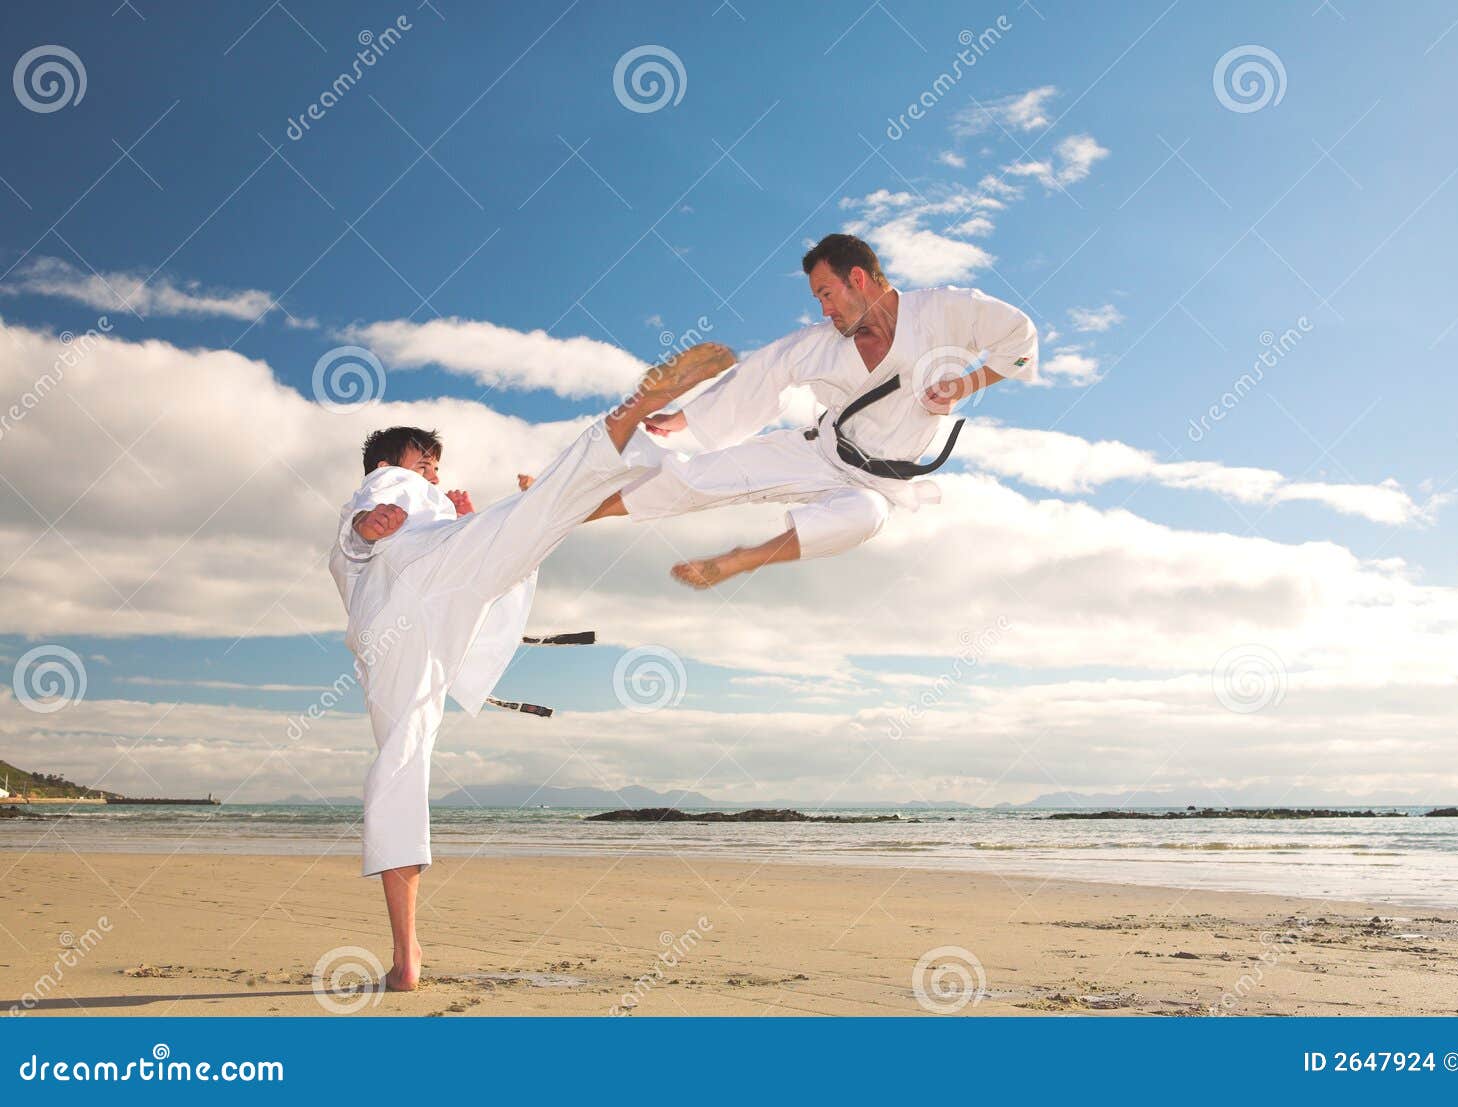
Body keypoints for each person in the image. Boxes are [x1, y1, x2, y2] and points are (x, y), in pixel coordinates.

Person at [327, 342, 734, 991]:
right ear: (386, 460)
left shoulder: (428, 500)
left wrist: (465, 522)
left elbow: (449, 551)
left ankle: (407, 956)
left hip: (437, 598)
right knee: (400, 764)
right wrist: (366, 527)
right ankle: (577, 474)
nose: (429, 468)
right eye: (420, 458)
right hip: (406, 600)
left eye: (433, 462)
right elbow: (349, 545)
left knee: (404, 765)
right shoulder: (384, 483)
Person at [585, 233, 1038, 587]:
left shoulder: (947, 311)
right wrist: (687, 417)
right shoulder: (820, 345)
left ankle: (739, 560)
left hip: (881, 484)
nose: (824, 311)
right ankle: (577, 506)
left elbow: (1020, 342)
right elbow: (763, 370)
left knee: (867, 517)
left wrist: (965, 383)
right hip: (820, 452)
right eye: (817, 300)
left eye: (826, 294)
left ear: (857, 279)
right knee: (700, 478)